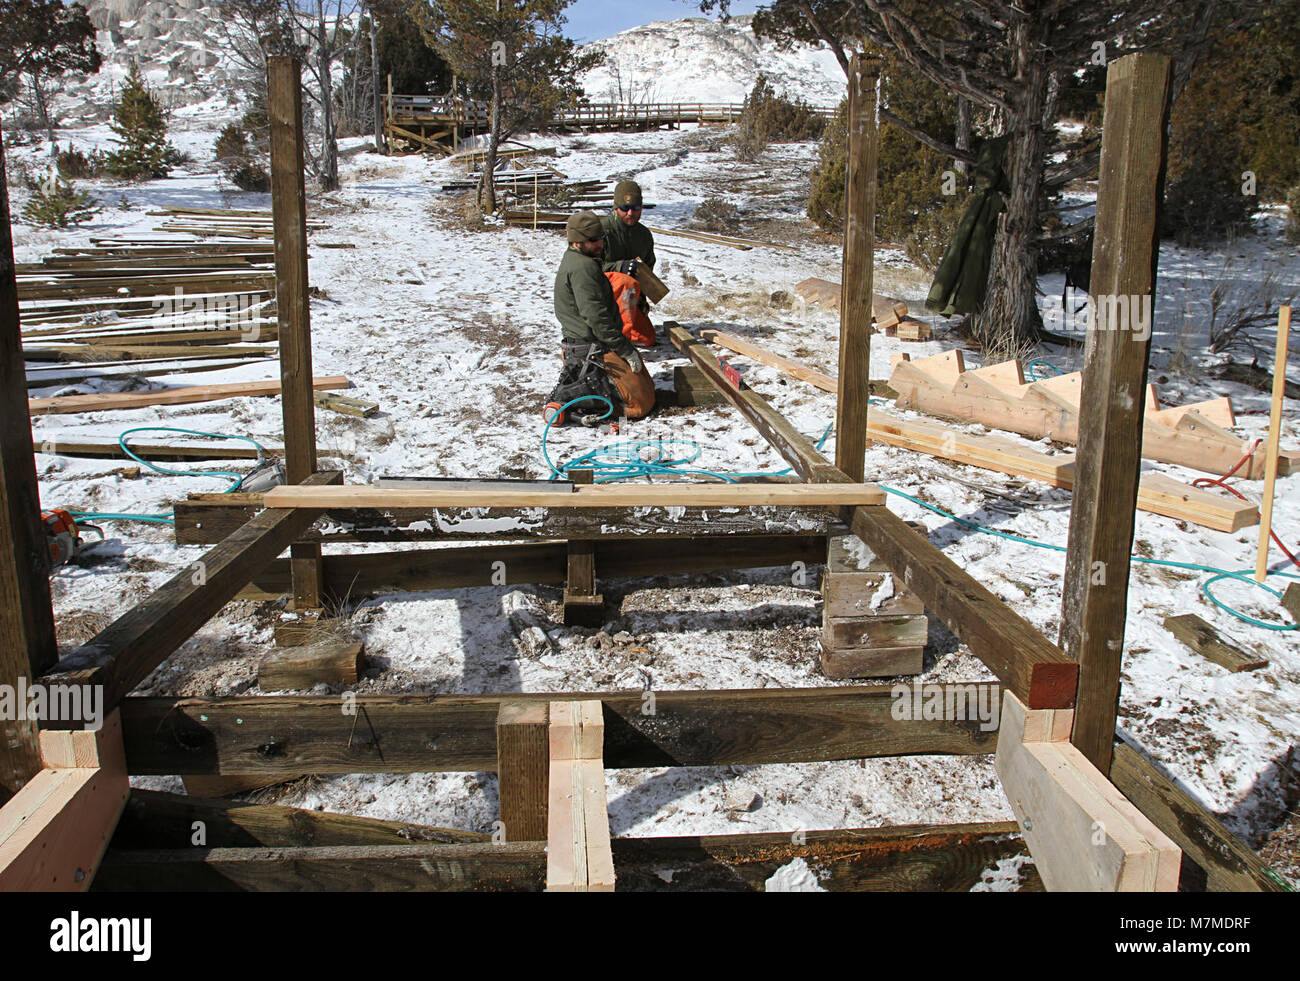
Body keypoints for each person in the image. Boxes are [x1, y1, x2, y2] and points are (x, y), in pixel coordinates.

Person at [546, 211, 655, 425]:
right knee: (641, 404)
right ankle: (570, 401)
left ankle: (597, 391)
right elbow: (597, 319)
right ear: (577, 242)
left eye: (601, 238)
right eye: (593, 240)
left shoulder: (580, 259)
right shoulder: (583, 268)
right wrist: (624, 349)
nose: (600, 244)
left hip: (596, 342)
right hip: (590, 348)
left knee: (646, 386)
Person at [599, 179, 657, 347]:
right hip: (601, 299)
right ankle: (618, 345)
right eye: (624, 208)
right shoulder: (601, 231)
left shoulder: (644, 236)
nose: (630, 213)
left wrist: (642, 303)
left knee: (647, 339)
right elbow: (586, 270)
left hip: (629, 301)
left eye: (635, 208)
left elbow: (647, 273)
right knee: (625, 281)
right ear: (615, 208)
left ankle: (626, 329)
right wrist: (619, 267)